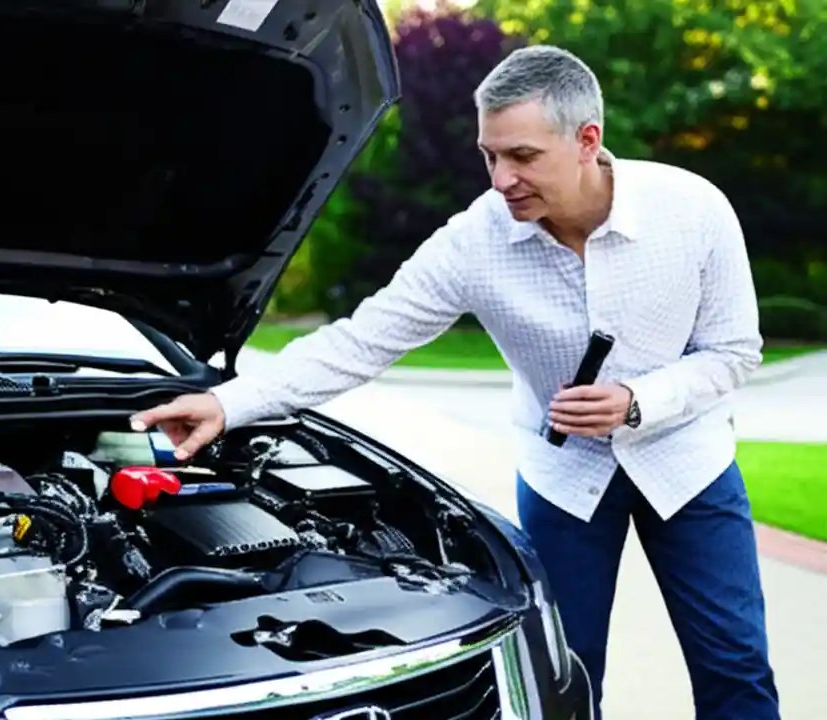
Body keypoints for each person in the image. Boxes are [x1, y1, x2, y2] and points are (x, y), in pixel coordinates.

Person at [129, 45, 779, 719]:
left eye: (522, 156)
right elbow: (361, 341)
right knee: (565, 668)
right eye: (489, 154)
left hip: (690, 467)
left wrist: (641, 401)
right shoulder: (475, 242)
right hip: (565, 484)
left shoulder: (694, 209)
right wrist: (226, 403)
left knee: (734, 663)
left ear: (587, 140)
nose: (501, 179)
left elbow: (733, 351)